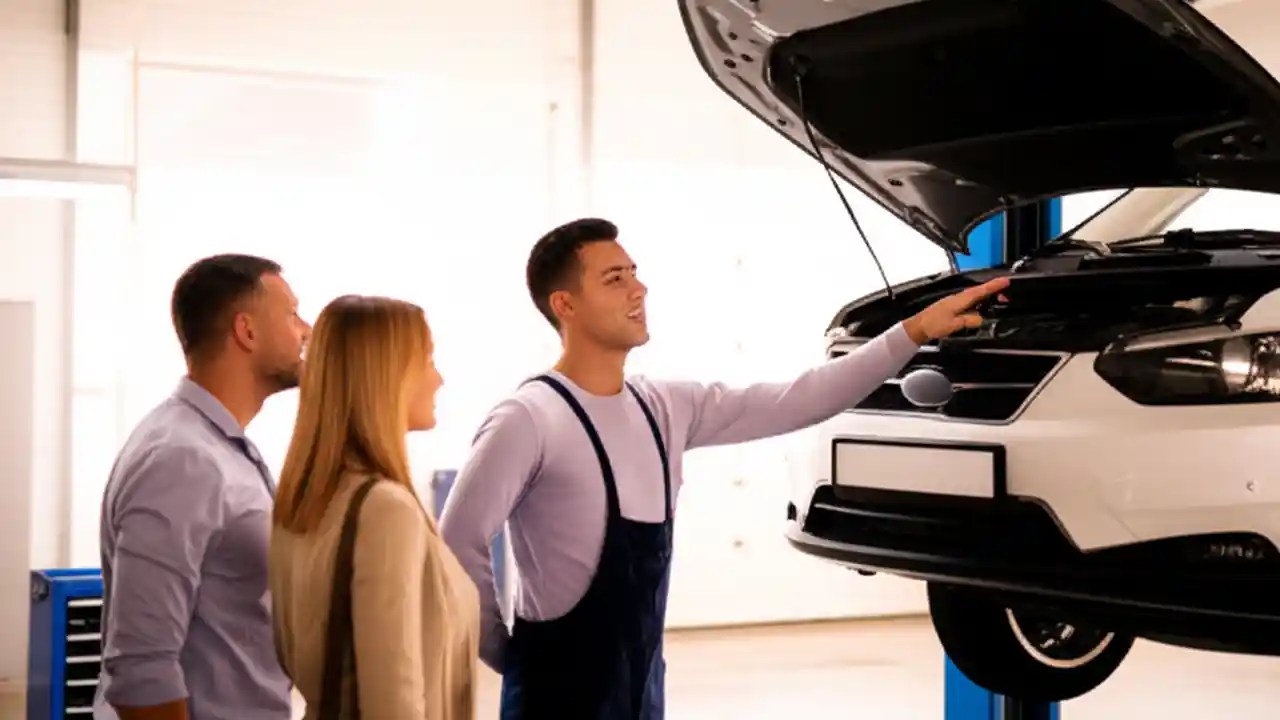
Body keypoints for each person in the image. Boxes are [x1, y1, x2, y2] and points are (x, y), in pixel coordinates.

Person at [438, 217, 1011, 719]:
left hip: (642, 696)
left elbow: (799, 398)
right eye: (615, 278)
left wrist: (913, 332)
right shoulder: (530, 418)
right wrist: (508, 654)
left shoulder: (663, 406)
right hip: (552, 701)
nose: (639, 288)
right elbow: (458, 543)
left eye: (635, 272)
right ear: (564, 305)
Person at [95, 254, 311, 720]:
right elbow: (142, 667)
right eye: (293, 314)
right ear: (246, 331)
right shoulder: (181, 461)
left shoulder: (221, 449)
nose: (307, 330)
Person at [268, 294, 479, 720]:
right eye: (428, 360)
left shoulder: (302, 498)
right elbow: (392, 701)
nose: (438, 379)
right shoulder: (386, 508)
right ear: (388, 376)